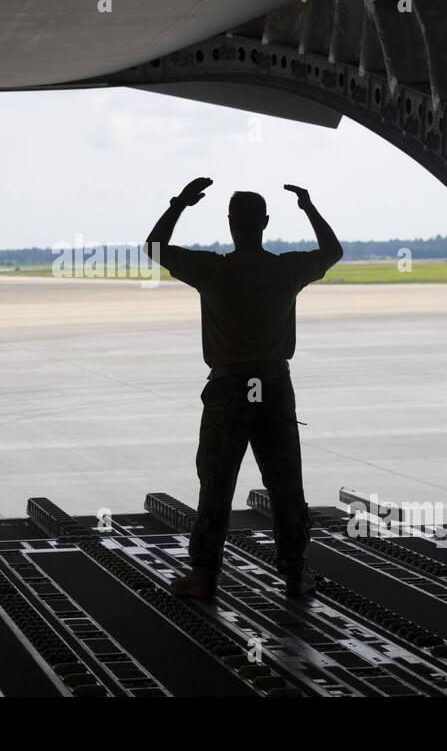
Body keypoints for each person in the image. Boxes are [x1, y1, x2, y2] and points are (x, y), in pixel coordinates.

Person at [147, 178, 343, 600]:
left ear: (232, 224)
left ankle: (204, 575)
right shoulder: (285, 270)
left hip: (230, 388)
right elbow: (333, 252)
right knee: (286, 483)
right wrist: (309, 207)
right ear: (266, 223)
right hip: (272, 385)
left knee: (216, 482)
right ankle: (295, 573)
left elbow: (156, 247)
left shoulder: (214, 271)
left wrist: (179, 203)